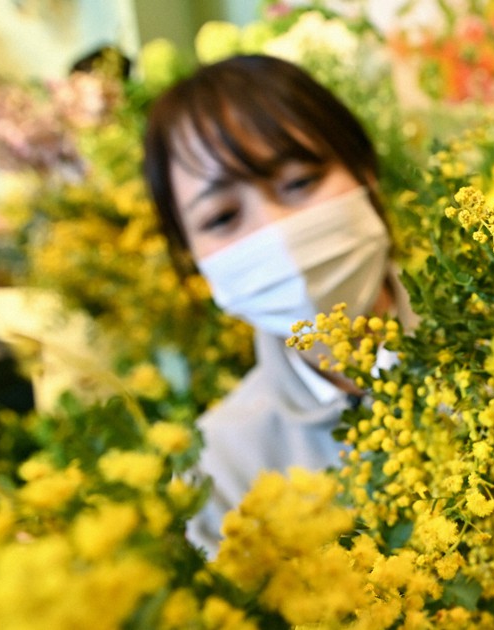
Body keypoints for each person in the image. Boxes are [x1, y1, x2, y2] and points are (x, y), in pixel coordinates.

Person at [143, 54, 415, 555]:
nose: (275, 232)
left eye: (298, 183)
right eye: (223, 217)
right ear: (192, 260)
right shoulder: (219, 468)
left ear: (366, 172)